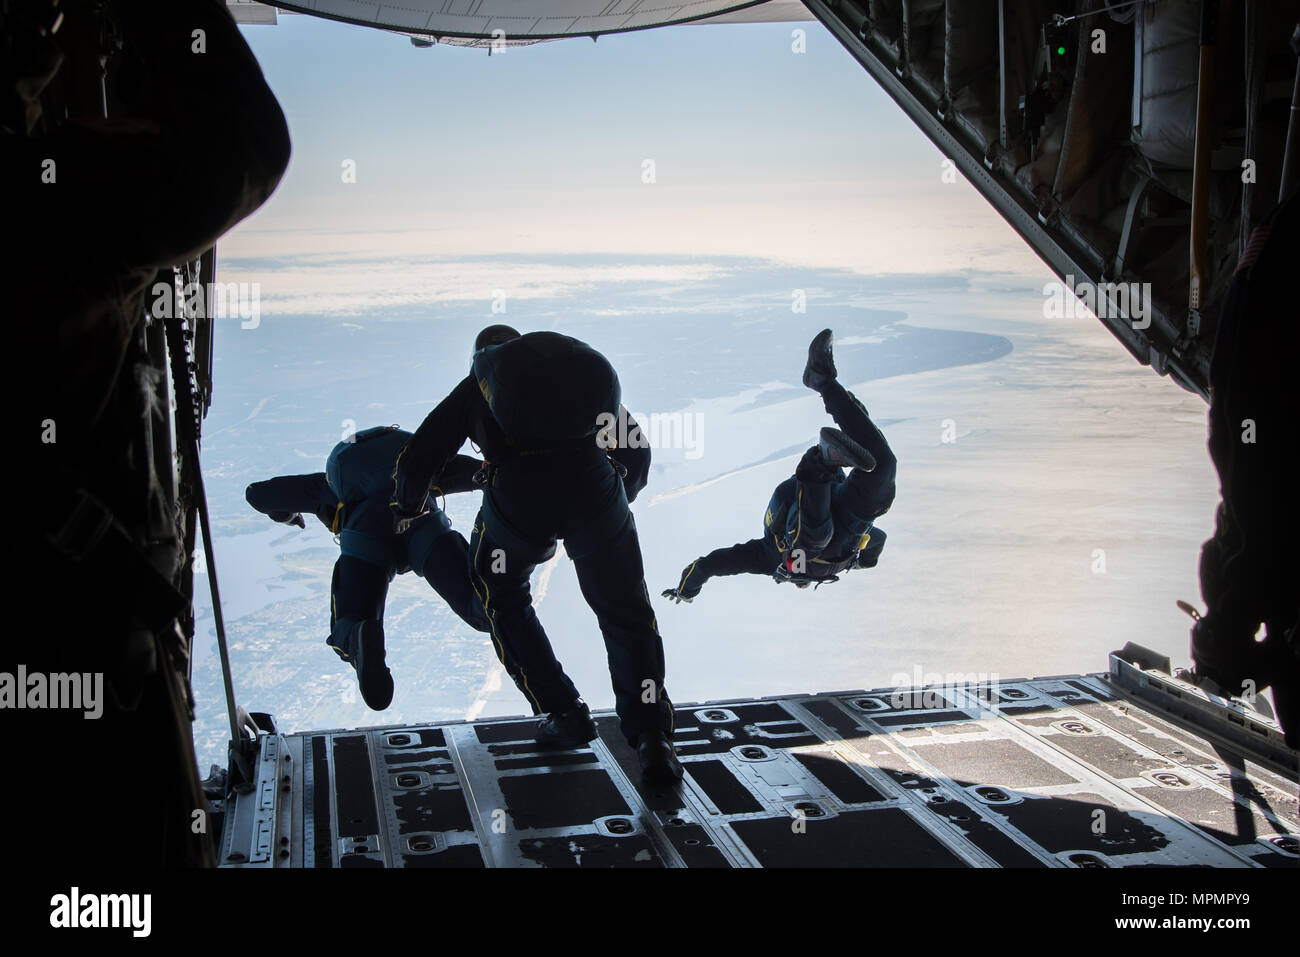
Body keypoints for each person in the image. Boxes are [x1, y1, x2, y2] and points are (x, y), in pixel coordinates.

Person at [392, 326, 682, 783]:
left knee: (501, 597)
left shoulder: (478, 386)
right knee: (625, 612)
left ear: (483, 358)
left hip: (518, 503)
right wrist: (609, 506)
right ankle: (653, 738)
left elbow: (417, 461)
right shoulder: (571, 379)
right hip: (595, 492)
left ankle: (564, 713)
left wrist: (407, 513)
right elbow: (638, 458)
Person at [246, 428, 499, 710]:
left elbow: (258, 495)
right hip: (419, 518)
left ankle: (356, 636)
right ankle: (499, 571)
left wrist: (287, 514)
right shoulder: (414, 467)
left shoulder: (325, 488)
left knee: (354, 619)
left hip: (365, 532)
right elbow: (487, 472)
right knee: (483, 606)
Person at [663, 329, 894, 600]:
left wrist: (686, 590)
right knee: (884, 467)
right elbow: (877, 540)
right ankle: (839, 422)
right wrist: (865, 560)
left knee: (808, 543)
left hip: (812, 512)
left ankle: (823, 442)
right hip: (844, 523)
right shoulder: (846, 560)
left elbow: (712, 564)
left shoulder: (766, 560)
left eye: (799, 584)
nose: (802, 584)